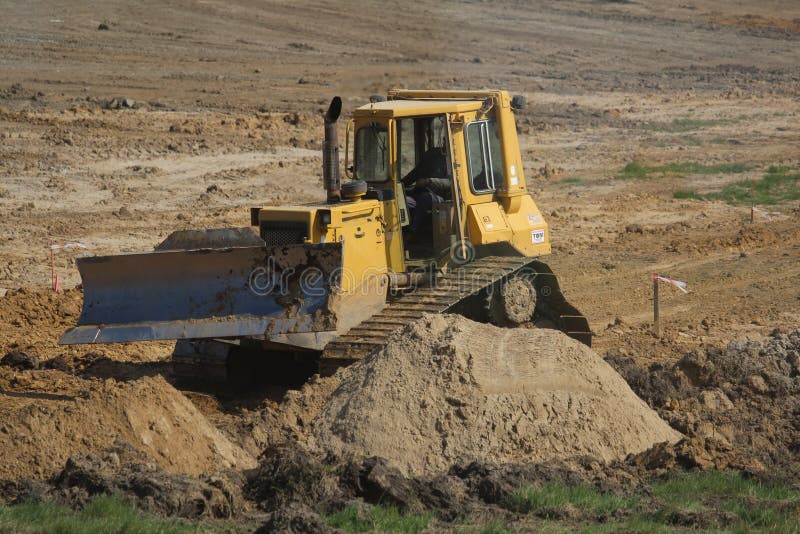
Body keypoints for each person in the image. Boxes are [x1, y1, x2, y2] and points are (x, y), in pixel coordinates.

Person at [401, 147, 451, 234]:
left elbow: (450, 182)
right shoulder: (432, 155)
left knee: (425, 198)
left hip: (440, 196)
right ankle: (400, 231)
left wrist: (429, 181)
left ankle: (411, 231)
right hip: (419, 192)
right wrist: (399, 185)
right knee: (401, 198)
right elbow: (414, 174)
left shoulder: (453, 159)